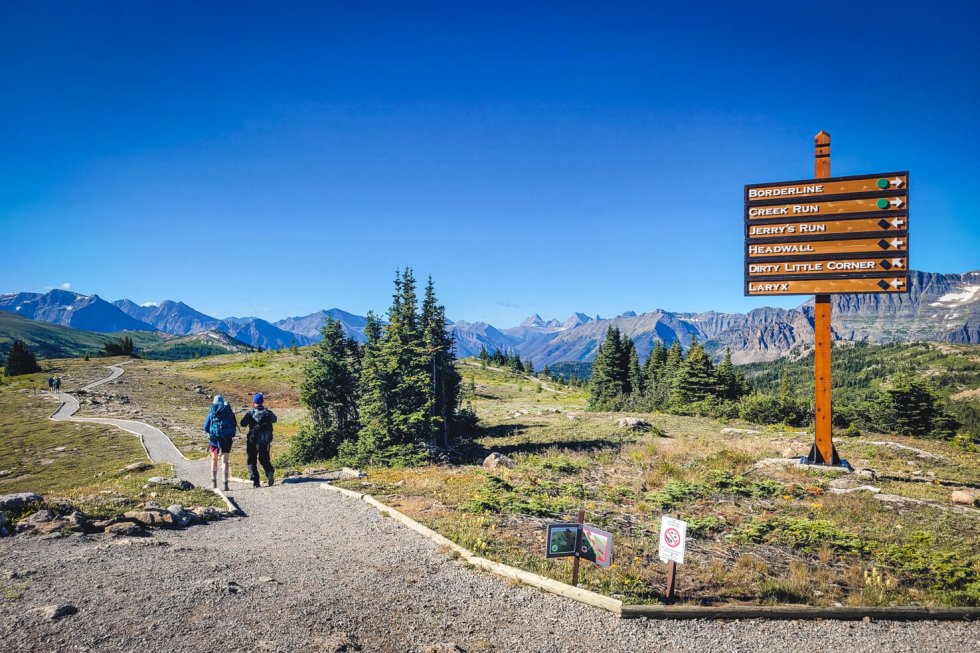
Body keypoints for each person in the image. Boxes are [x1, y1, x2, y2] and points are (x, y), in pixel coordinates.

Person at [240, 392, 276, 488]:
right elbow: (275, 419)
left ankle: (256, 481)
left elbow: (242, 423)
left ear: (254, 401)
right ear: (262, 401)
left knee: (251, 460)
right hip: (265, 440)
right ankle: (269, 472)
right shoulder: (268, 412)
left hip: (253, 440)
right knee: (264, 458)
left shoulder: (250, 413)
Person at [203, 395, 237, 491]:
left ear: (214, 402)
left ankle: (213, 483)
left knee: (214, 460)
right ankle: (225, 484)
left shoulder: (212, 412)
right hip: (226, 439)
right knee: (225, 461)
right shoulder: (228, 411)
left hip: (214, 439)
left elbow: (205, 427)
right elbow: (234, 425)